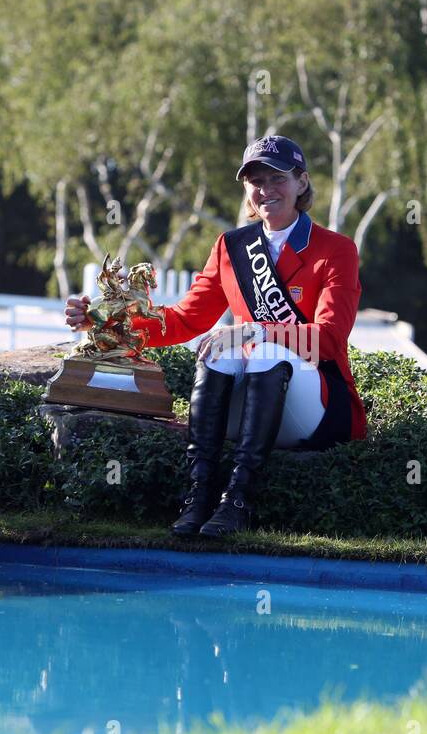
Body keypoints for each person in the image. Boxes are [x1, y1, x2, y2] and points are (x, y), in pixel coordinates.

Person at [65, 135, 367, 538]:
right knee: (216, 353)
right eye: (255, 180)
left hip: (317, 404)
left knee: (261, 348)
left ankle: (239, 499)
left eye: (277, 178)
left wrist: (257, 329)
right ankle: (200, 495)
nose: (266, 189)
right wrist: (104, 322)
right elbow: (184, 321)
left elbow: (327, 341)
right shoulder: (232, 245)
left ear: (301, 182)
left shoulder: (335, 250)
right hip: (256, 402)